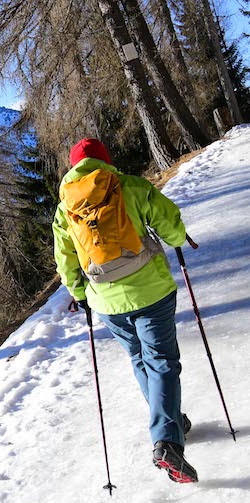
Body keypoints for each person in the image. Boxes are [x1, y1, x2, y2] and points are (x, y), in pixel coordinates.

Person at [52, 138, 198, 483]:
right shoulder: (130, 186)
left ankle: (171, 419)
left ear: (73, 168)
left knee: (139, 358)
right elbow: (170, 224)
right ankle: (167, 441)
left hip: (106, 301)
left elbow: (65, 259)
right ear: (105, 160)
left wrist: (80, 294)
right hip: (150, 291)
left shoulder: (64, 208)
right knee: (161, 360)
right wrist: (178, 238)